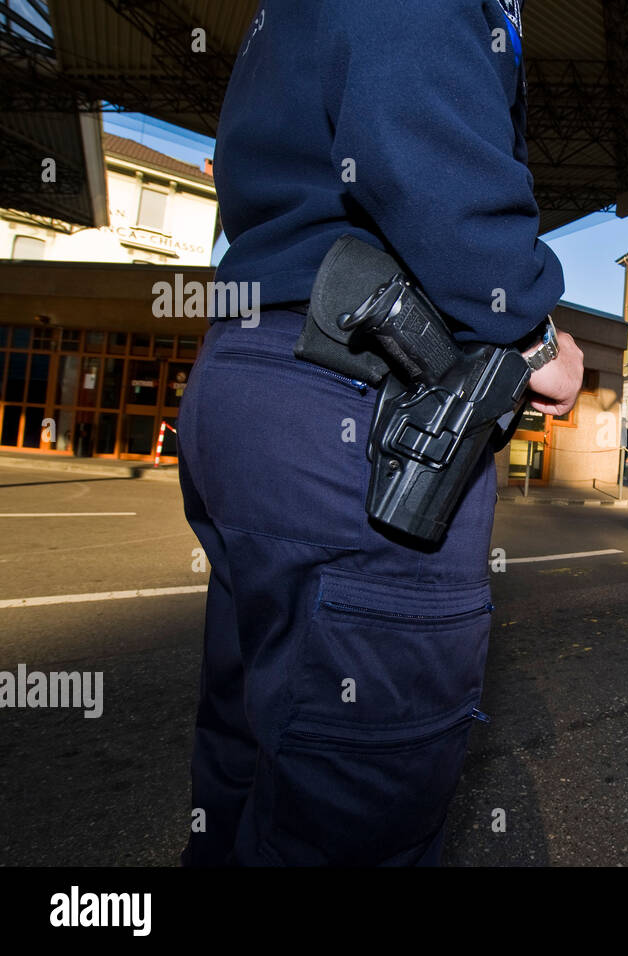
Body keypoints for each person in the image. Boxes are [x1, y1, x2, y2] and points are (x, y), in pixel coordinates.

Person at [177, 0, 582, 866]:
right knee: (357, 814)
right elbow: (433, 163)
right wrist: (534, 331)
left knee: (252, 752)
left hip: (264, 371)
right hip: (361, 404)